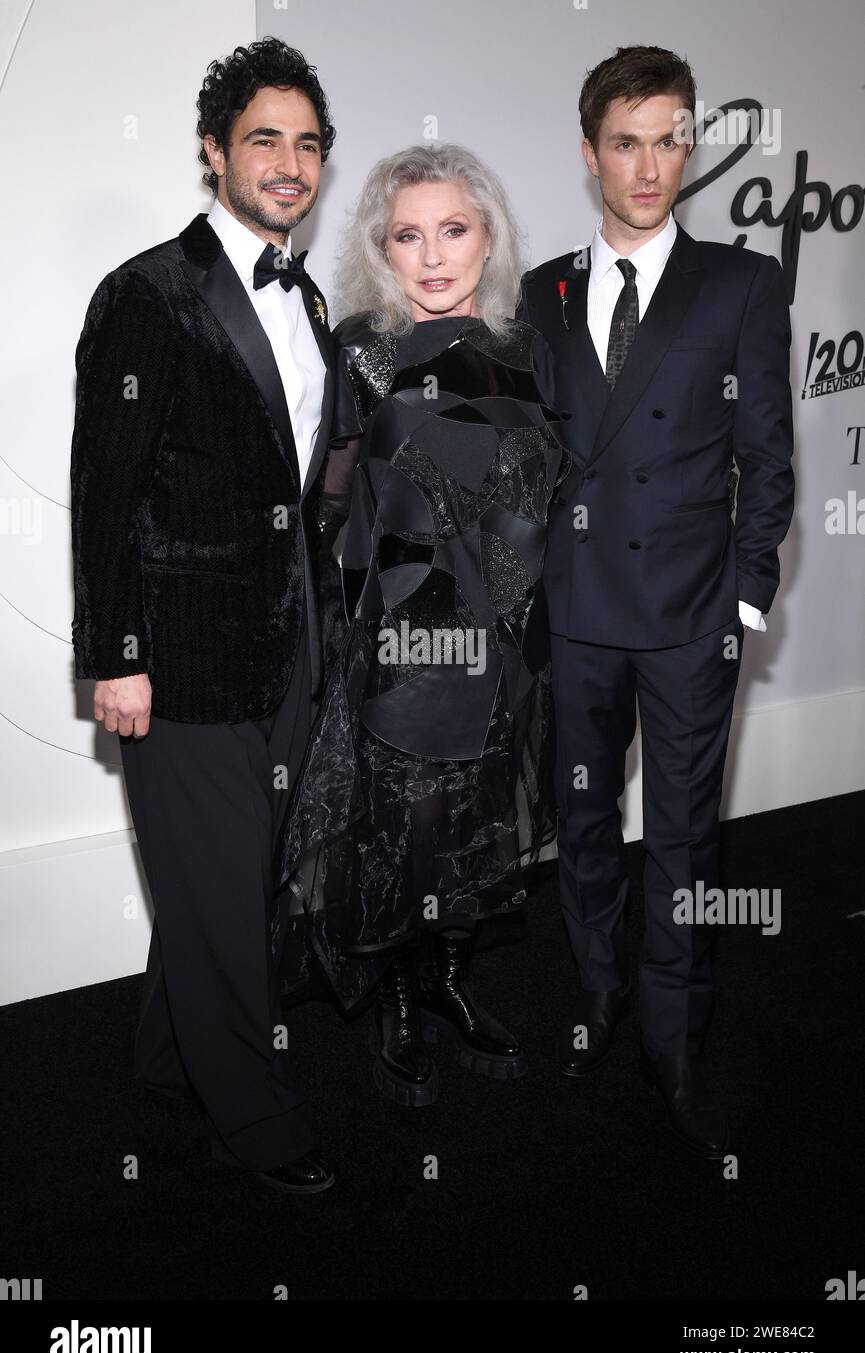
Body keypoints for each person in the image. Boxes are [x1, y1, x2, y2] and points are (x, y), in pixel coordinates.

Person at [70, 39, 340, 1193]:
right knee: (228, 889)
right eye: (264, 139)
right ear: (214, 152)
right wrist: (114, 658)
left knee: (235, 873)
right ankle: (257, 1117)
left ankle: (170, 1053)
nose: (288, 163)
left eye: (307, 142)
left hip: (287, 647)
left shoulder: (310, 293)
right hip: (175, 657)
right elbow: (105, 490)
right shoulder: (146, 293)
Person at [516, 45, 794, 1159]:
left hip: (688, 618)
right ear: (590, 154)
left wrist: (748, 596)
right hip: (574, 616)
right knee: (582, 828)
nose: (648, 163)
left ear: (689, 144)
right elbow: (532, 463)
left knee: (682, 842)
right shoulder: (544, 290)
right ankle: (597, 996)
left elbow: (768, 457)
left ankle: (673, 1036)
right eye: (625, 141)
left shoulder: (740, 282)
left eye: (668, 137)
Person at [272, 144, 569, 1106]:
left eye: (453, 230)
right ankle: (401, 996)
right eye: (408, 236)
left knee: (478, 821)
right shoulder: (361, 346)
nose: (433, 256)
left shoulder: (532, 350)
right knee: (407, 824)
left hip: (511, 643)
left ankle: (447, 980)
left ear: (489, 238)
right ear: (381, 250)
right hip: (406, 643)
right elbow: (327, 502)